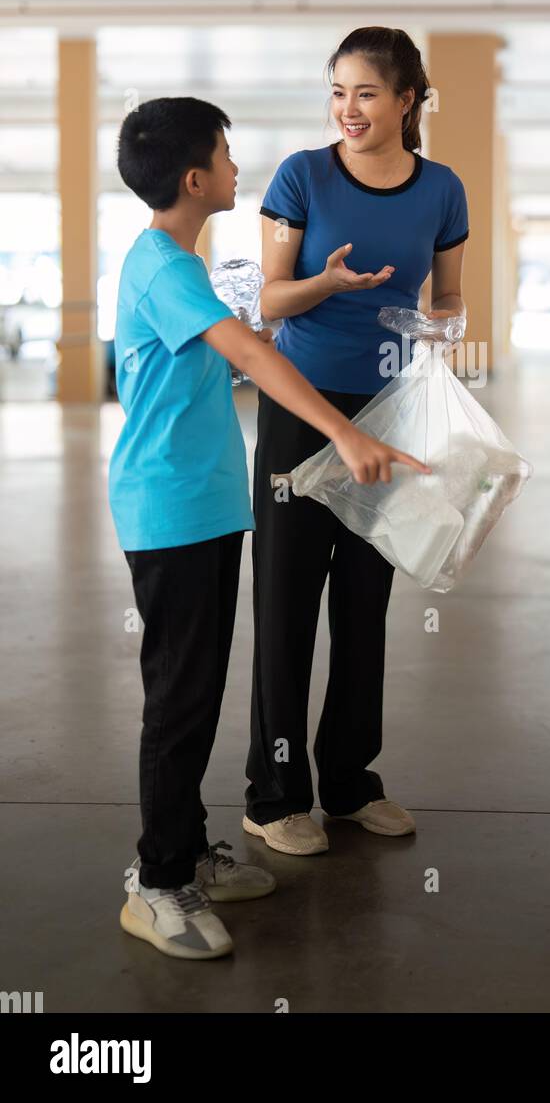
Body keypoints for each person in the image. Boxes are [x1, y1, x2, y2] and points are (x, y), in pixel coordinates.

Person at [110, 96, 428, 961]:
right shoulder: (161, 267)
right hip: (167, 510)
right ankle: (158, 880)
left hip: (206, 507)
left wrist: (313, 291)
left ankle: (185, 852)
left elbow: (239, 341)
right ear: (193, 178)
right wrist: (347, 431)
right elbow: (251, 355)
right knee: (179, 700)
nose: (236, 166)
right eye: (224, 152)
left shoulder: (181, 261)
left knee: (202, 689)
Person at [244, 26, 469, 855]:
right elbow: (268, 303)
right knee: (287, 597)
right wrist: (327, 282)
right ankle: (274, 796)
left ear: (408, 100)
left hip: (390, 412)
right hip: (301, 409)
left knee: (365, 600)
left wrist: (440, 335)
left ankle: (347, 782)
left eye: (366, 94)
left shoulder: (442, 190)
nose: (349, 109)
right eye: (338, 92)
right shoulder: (302, 175)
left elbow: (445, 299)